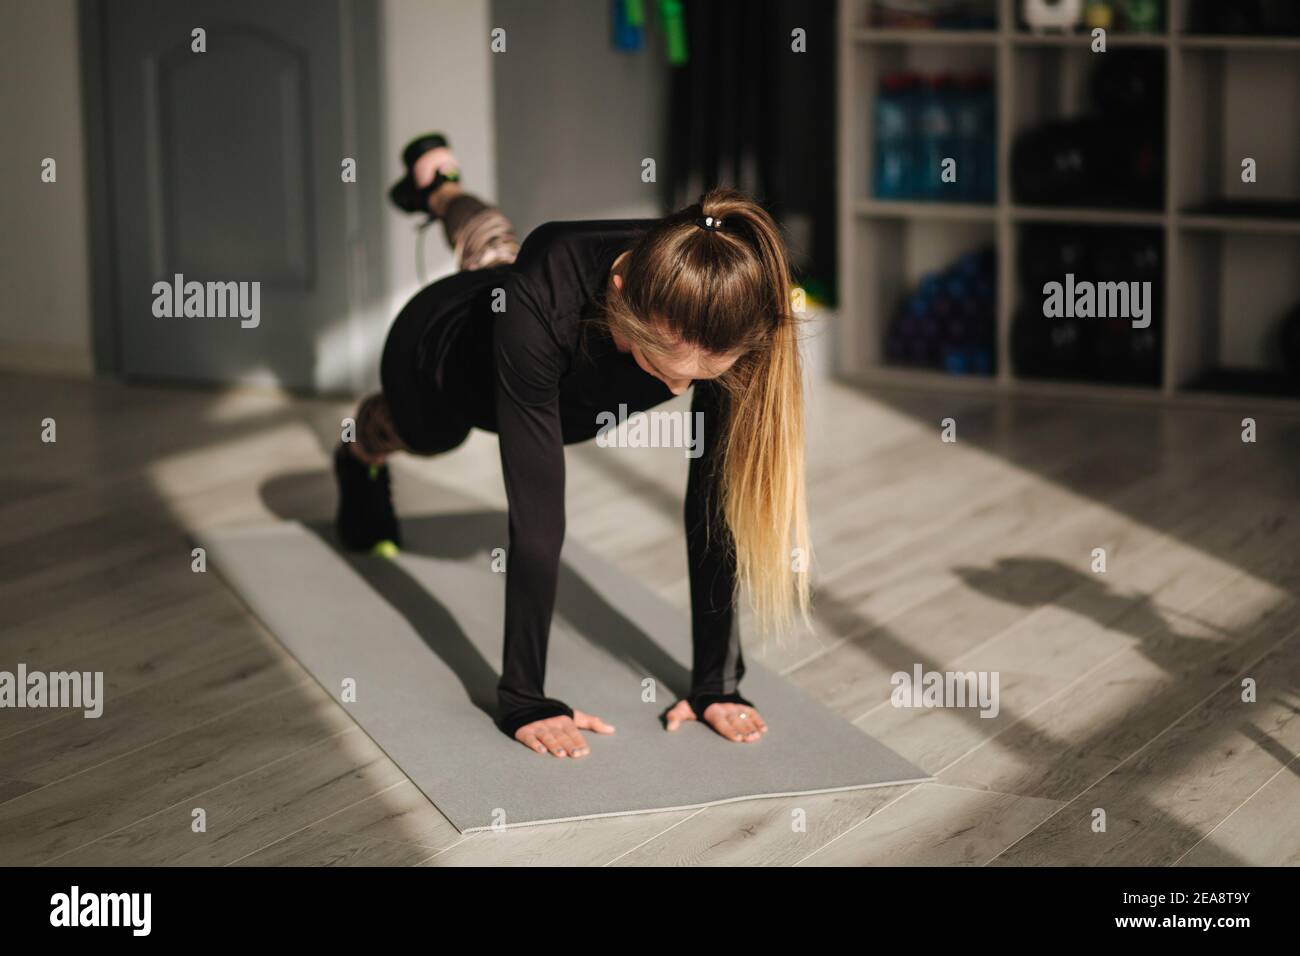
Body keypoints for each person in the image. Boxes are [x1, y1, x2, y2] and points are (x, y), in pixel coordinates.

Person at [335, 133, 812, 759]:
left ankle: (437, 182)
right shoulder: (547, 299)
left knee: (494, 253)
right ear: (619, 290)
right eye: (661, 366)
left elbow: (714, 501)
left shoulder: (714, 293)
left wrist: (716, 684)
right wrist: (525, 698)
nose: (676, 387)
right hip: (441, 359)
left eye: (699, 378)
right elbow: (536, 522)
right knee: (425, 430)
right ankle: (358, 452)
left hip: (514, 304)